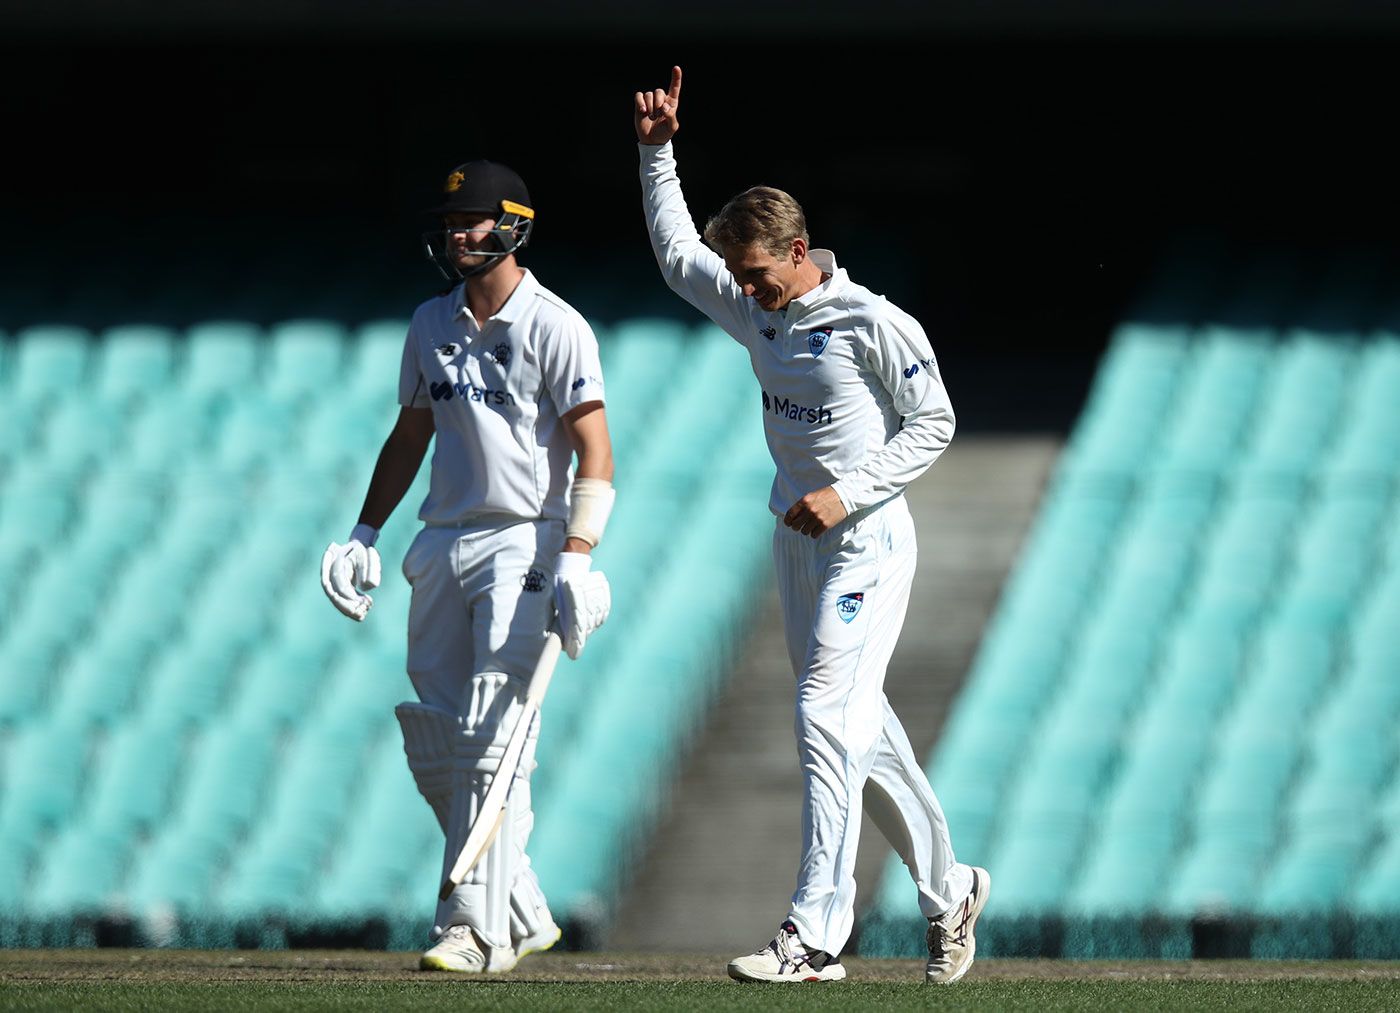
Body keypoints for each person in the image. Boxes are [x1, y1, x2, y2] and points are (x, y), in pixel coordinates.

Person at [633, 66, 988, 985]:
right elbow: (678, 258)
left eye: (757, 276)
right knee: (856, 731)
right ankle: (951, 889)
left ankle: (816, 933)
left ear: (798, 252)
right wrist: (656, 151)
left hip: (866, 541)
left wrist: (851, 491)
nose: (745, 294)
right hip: (796, 542)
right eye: (740, 281)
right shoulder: (760, 310)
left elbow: (937, 422)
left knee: (823, 714)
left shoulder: (871, 320)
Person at [320, 158, 616, 974]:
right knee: (440, 737)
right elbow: (410, 432)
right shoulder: (429, 322)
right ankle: (517, 898)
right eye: (449, 222)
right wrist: (363, 530)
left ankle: (470, 925)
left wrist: (578, 558)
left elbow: (596, 449)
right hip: (442, 539)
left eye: (471, 220)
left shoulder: (558, 325)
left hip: (526, 538)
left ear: (512, 224)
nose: (456, 233)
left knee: (493, 731)